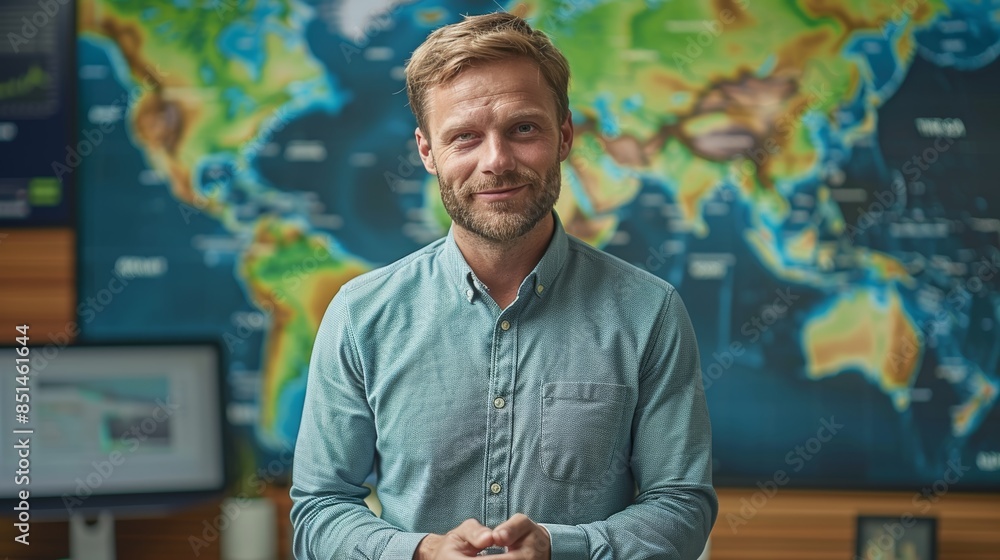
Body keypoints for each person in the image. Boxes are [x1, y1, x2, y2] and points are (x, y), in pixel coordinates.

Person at [290, 12, 717, 559]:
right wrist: (420, 553)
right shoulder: (360, 316)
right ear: (427, 152)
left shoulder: (649, 313)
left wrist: (561, 548)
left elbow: (682, 506)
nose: (496, 161)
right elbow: (319, 510)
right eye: (464, 137)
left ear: (563, 136)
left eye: (523, 129)